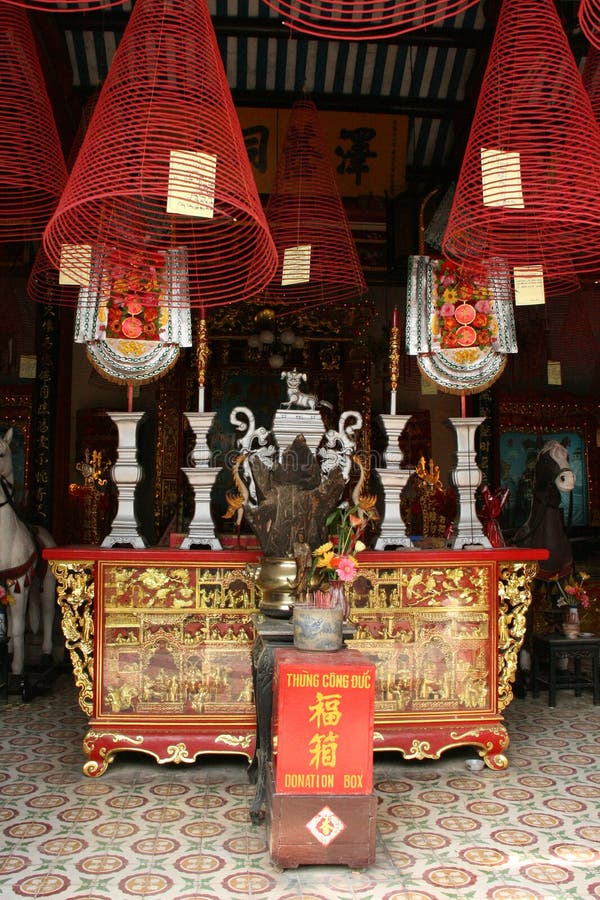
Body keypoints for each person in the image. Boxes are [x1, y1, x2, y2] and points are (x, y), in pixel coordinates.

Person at [290, 531, 312, 603]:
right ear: (297, 537)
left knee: (304, 580)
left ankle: (302, 596)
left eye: (302, 537)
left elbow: (309, 556)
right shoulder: (295, 545)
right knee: (299, 578)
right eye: (299, 537)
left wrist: (308, 565)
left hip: (305, 565)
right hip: (298, 565)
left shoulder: (306, 545)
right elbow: (294, 555)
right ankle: (298, 594)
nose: (301, 538)